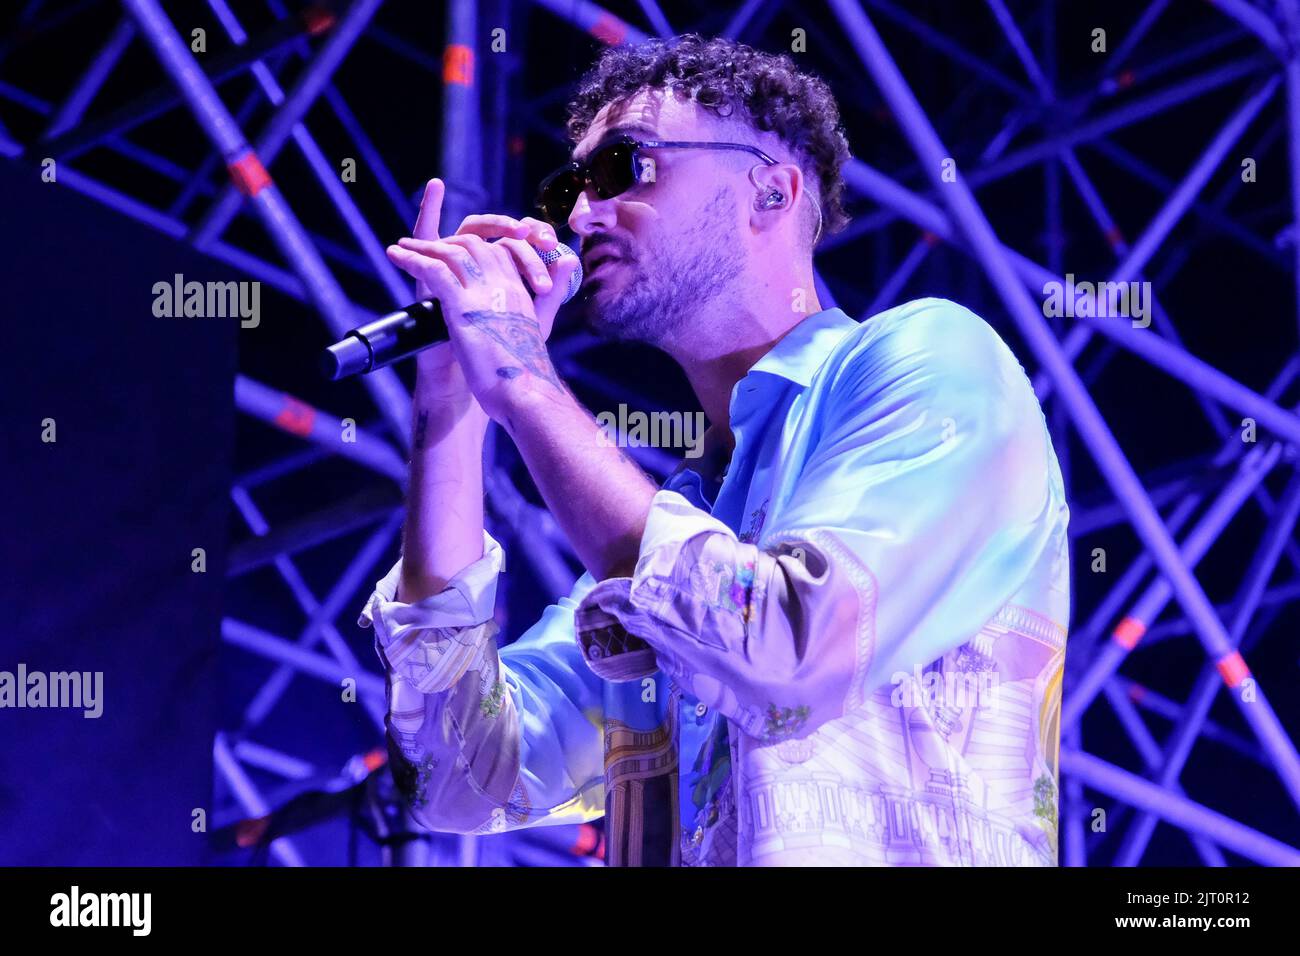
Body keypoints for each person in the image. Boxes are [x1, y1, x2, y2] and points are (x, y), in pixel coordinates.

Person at [360, 34, 1071, 866]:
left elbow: (785, 650)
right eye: (571, 189)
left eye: (625, 166)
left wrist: (520, 378)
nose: (583, 215)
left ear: (770, 190)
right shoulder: (676, 533)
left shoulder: (934, 360)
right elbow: (459, 779)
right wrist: (453, 408)